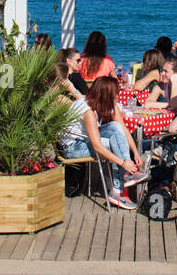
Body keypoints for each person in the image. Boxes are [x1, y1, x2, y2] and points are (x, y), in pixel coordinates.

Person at [63, 76, 147, 210]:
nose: (119, 96)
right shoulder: (88, 111)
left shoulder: (100, 103)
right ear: (107, 95)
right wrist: (123, 163)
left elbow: (123, 130)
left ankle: (123, 178)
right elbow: (98, 146)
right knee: (112, 143)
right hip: (73, 147)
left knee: (116, 127)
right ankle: (117, 191)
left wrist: (135, 153)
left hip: (85, 138)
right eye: (116, 93)